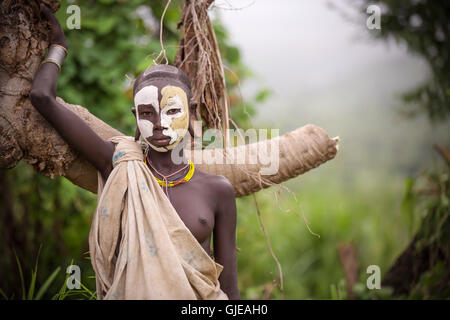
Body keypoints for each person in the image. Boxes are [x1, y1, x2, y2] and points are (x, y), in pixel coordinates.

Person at [30, 5, 239, 300]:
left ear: (192, 113)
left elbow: (229, 286)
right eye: (147, 113)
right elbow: (41, 97)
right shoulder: (117, 166)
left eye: (172, 111)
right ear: (135, 118)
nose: (159, 124)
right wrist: (58, 46)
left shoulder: (218, 190)